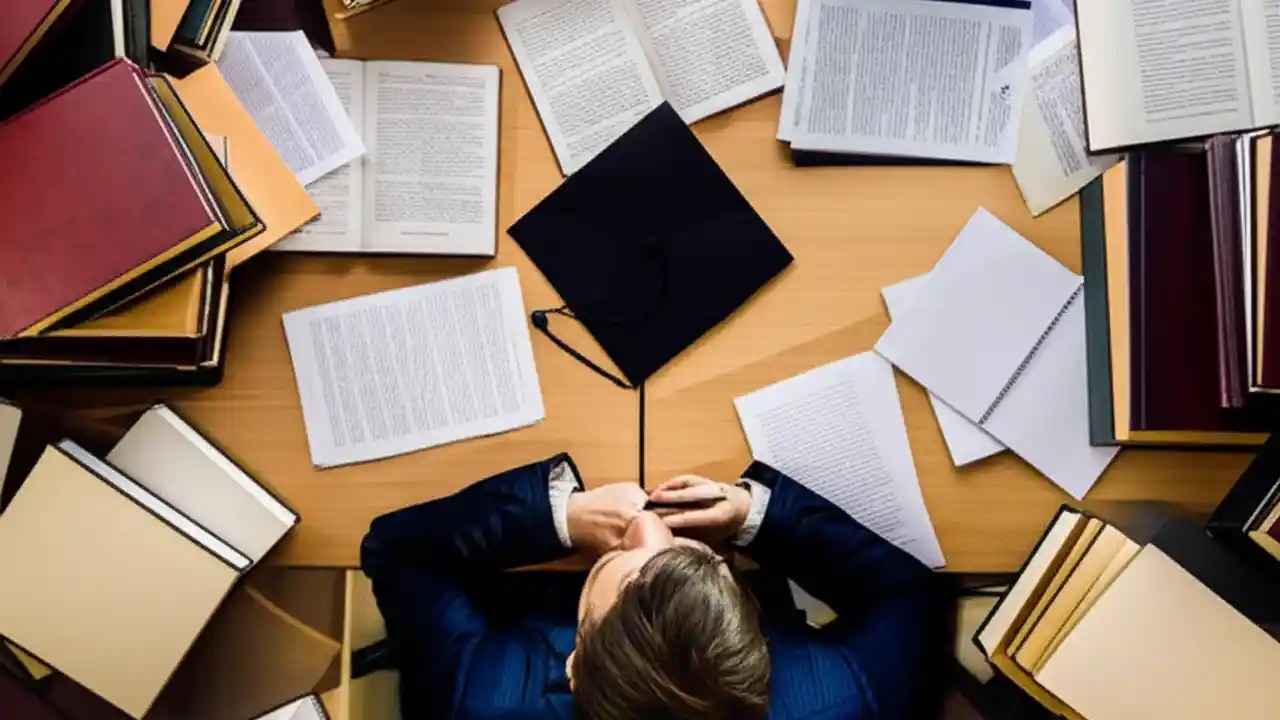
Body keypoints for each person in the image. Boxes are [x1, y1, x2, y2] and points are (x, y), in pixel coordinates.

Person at [361, 453, 948, 719]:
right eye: (690, 558)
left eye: (619, 554)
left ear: (574, 664)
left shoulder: (477, 697)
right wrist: (752, 515)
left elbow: (397, 553)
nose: (647, 523)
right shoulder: (841, 698)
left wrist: (558, 519)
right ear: (754, 646)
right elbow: (910, 598)